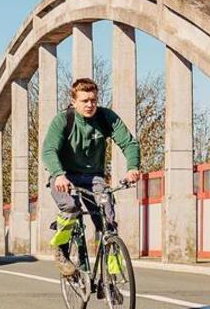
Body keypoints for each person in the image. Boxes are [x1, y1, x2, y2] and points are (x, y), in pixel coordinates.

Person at [40, 76, 141, 278]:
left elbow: (129, 143)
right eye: (85, 101)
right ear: (74, 101)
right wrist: (58, 175)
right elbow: (49, 150)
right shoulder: (63, 120)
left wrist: (133, 167)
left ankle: (112, 276)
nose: (90, 105)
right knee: (71, 207)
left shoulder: (105, 117)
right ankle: (60, 249)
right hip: (65, 176)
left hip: (94, 177)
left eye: (93, 100)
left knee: (108, 222)